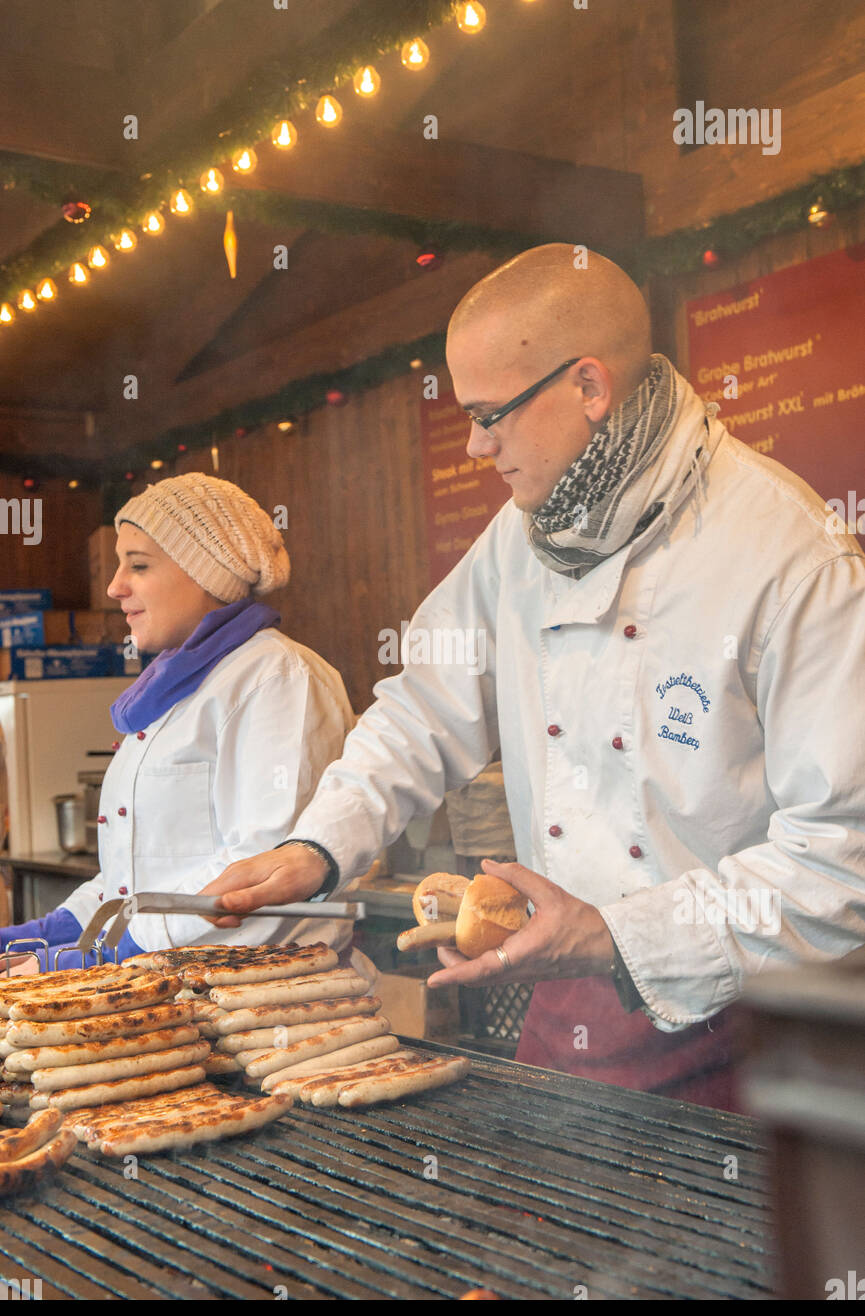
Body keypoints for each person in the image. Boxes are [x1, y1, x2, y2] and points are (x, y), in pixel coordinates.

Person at [203, 245, 865, 1111]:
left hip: (751, 1025)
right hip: (565, 1006)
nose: (475, 445)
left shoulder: (786, 553)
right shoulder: (519, 539)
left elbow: (844, 854)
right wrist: (318, 847)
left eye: (490, 414)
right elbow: (421, 709)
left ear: (588, 387)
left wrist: (613, 935)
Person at [1, 472, 355, 970]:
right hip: (172, 992)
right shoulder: (171, 689)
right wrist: (48, 933)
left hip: (264, 1004)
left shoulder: (278, 677)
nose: (114, 587)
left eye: (138, 566)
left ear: (206, 573)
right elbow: (134, 878)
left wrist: (98, 956)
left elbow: (261, 873)